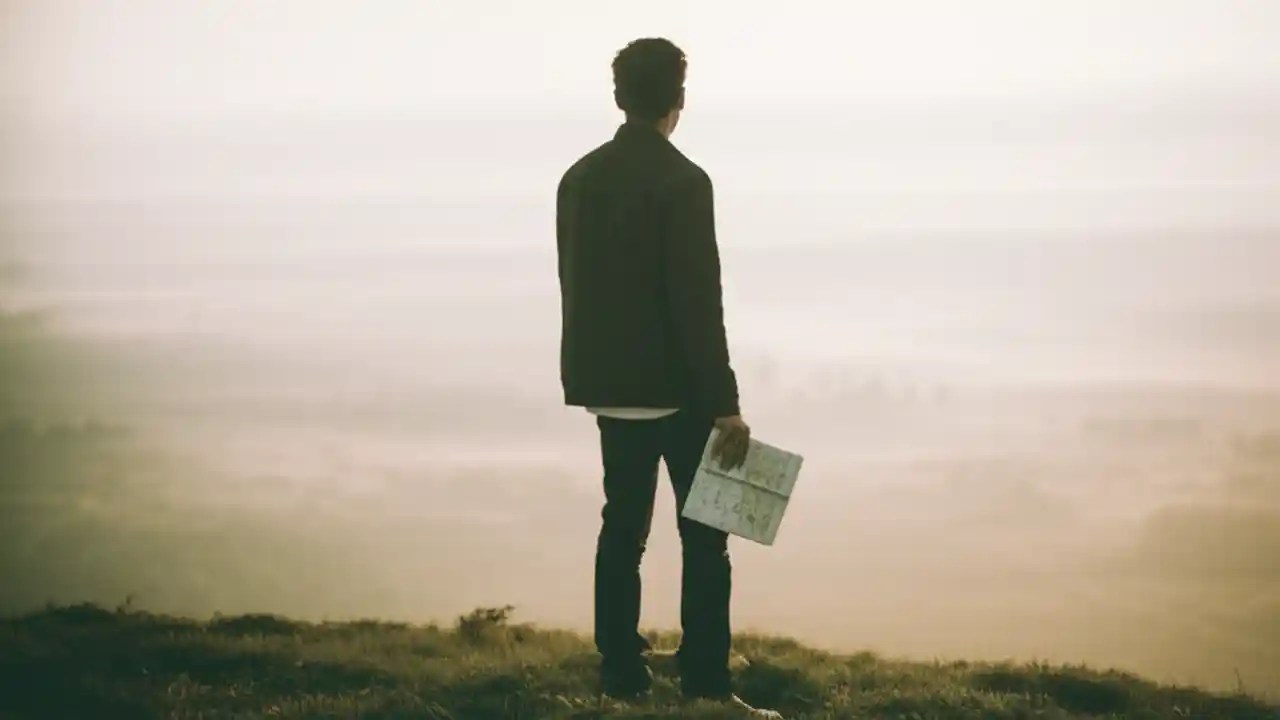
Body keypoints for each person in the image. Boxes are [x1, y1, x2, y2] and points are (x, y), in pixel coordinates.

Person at [556, 37, 780, 718]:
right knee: (706, 537)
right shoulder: (686, 182)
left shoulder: (578, 177)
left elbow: (577, 286)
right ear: (677, 102)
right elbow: (696, 302)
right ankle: (707, 683)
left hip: (609, 391)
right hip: (679, 395)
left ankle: (620, 672)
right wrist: (727, 405)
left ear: (619, 96)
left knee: (621, 531)